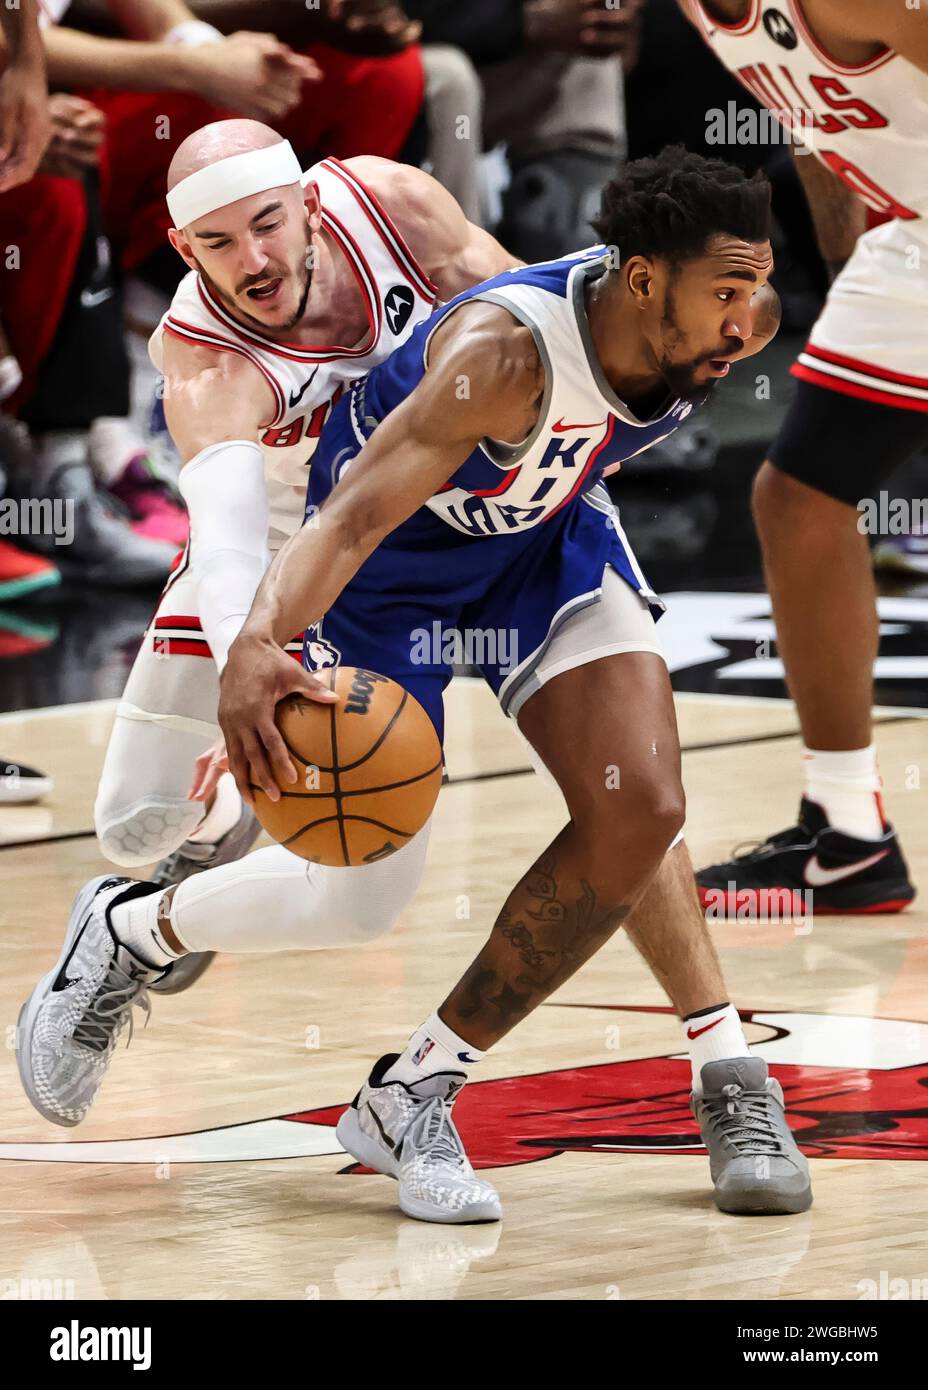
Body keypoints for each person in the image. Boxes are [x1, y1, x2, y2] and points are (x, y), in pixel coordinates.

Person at [678, 0, 926, 915]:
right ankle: (847, 831)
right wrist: (854, 284)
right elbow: (820, 134)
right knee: (800, 498)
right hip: (914, 242)